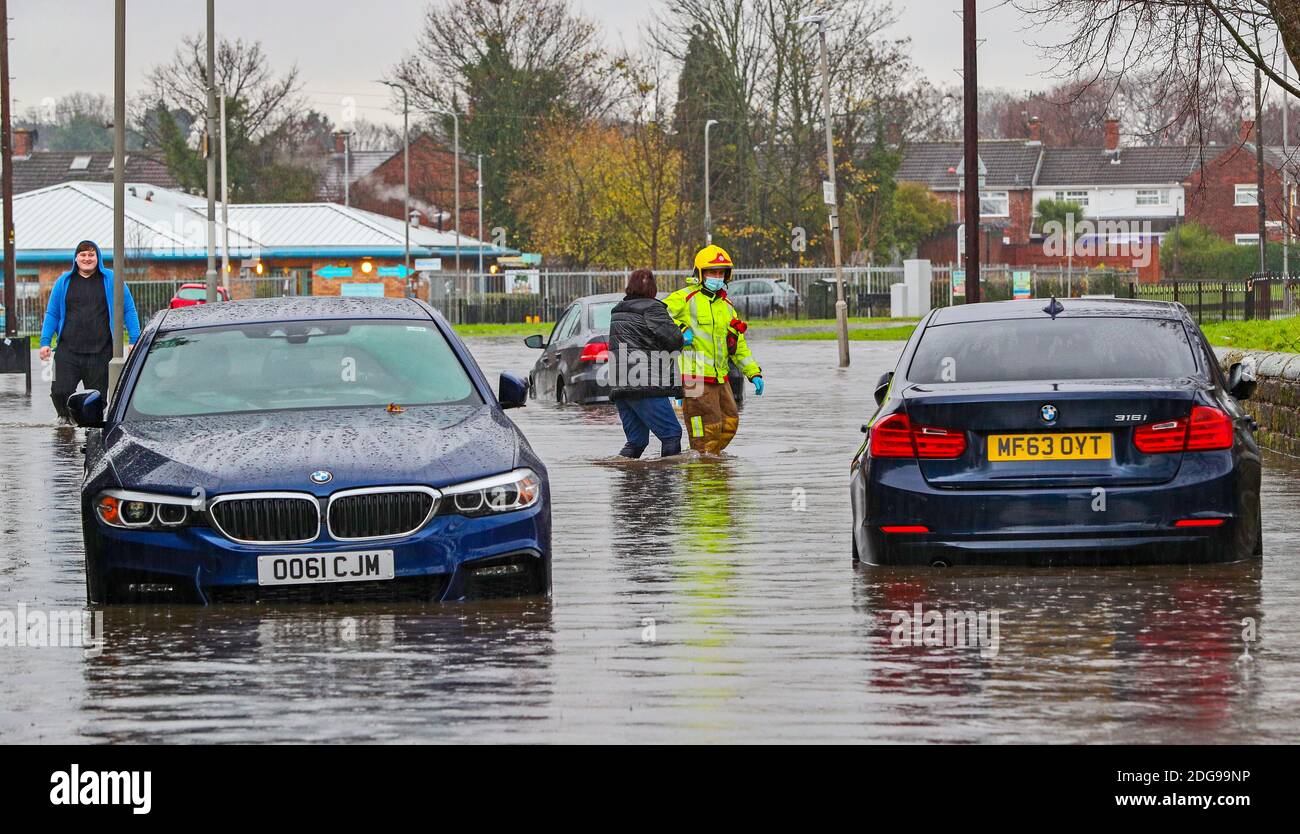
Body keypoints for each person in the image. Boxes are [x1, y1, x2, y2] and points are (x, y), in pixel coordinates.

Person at [665, 245, 763, 454]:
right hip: (695, 377)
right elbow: (658, 315)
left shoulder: (726, 306)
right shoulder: (685, 297)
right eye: (712, 272)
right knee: (706, 431)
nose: (717, 277)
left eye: (721, 273)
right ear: (700, 273)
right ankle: (702, 475)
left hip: (720, 377)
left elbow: (739, 346)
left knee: (729, 423)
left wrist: (753, 372)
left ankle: (708, 464)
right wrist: (680, 331)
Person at [38, 241, 140, 420]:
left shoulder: (111, 280)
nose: (87, 258)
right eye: (83, 255)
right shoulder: (64, 282)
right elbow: (52, 313)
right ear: (76, 258)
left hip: (100, 351)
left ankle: (91, 431)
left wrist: (134, 339)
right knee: (60, 391)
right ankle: (65, 421)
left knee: (96, 399)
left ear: (97, 257)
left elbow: (128, 309)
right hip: (68, 350)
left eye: (91, 255)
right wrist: (45, 342)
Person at [607, 268, 685, 459]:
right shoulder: (653, 308)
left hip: (621, 387)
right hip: (645, 385)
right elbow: (674, 340)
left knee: (637, 441)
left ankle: (628, 484)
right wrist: (682, 331)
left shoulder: (618, 312)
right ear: (653, 289)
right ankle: (667, 486)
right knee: (672, 434)